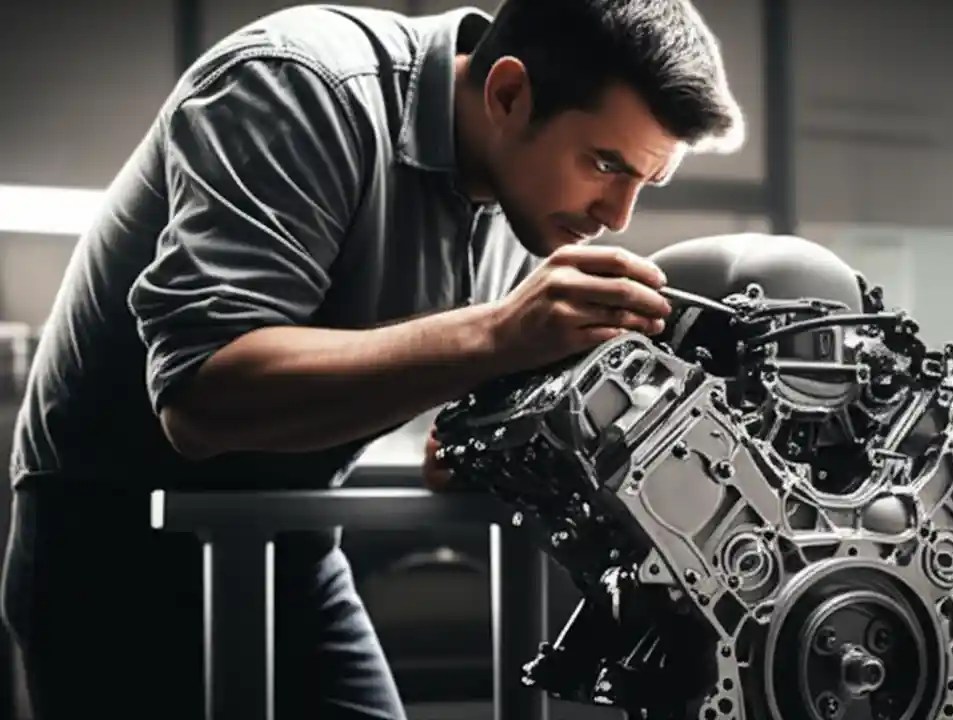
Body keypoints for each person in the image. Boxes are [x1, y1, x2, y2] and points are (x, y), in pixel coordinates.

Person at [1, 0, 743, 717]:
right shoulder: (297, 89)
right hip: (109, 547)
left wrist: (482, 439)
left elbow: (447, 383)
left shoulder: (529, 200)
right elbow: (201, 399)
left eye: (647, 181)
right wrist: (496, 335)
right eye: (606, 163)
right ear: (509, 95)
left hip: (294, 543)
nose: (617, 215)